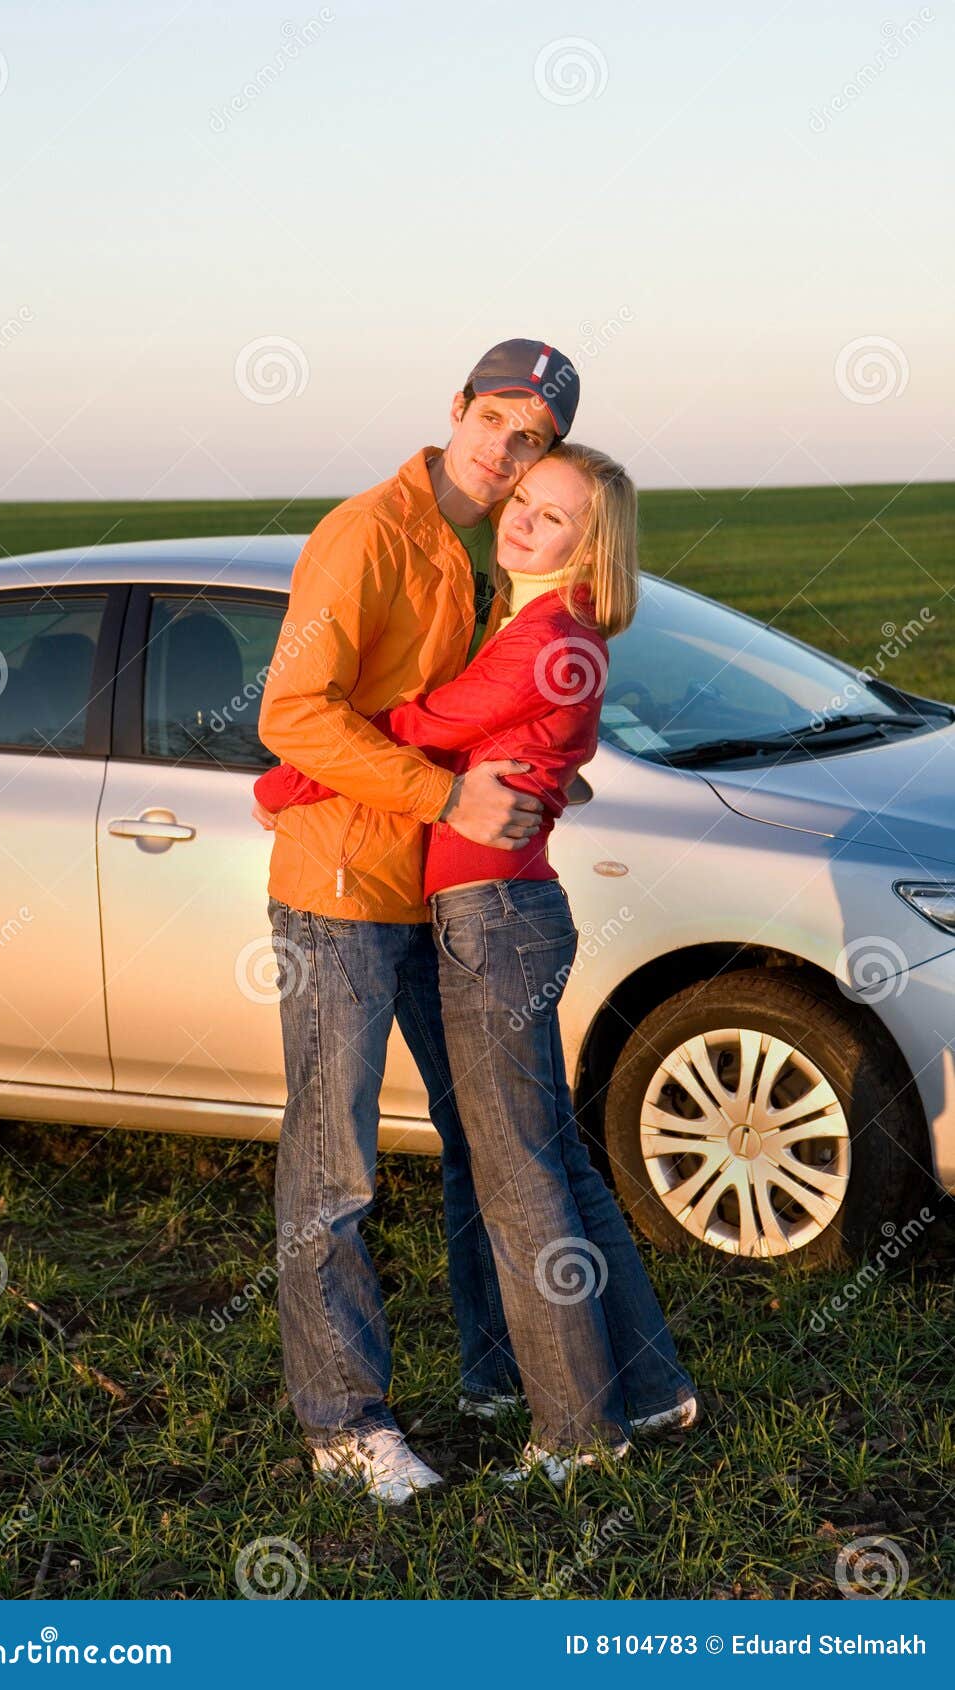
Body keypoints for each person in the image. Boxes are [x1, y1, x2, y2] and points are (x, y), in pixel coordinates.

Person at [257, 443, 697, 1488]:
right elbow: (477, 739)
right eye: (523, 504)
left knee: (518, 1173)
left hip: (488, 915)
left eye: (551, 516)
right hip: (447, 901)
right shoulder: (503, 611)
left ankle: (576, 1431)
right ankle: (634, 1386)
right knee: (524, 1160)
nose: (520, 519)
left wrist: (285, 787)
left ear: (591, 545)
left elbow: (424, 725)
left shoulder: (544, 632)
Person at [256, 339, 583, 1504]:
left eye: (531, 438)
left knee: (485, 1150)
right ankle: (344, 1423)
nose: (506, 449)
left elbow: (470, 707)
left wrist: (537, 767)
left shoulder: (498, 555)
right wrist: (448, 794)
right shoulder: (364, 535)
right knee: (333, 1164)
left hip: (452, 895)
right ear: (455, 409)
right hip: (342, 889)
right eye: (494, 418)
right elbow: (291, 713)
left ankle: (501, 1375)